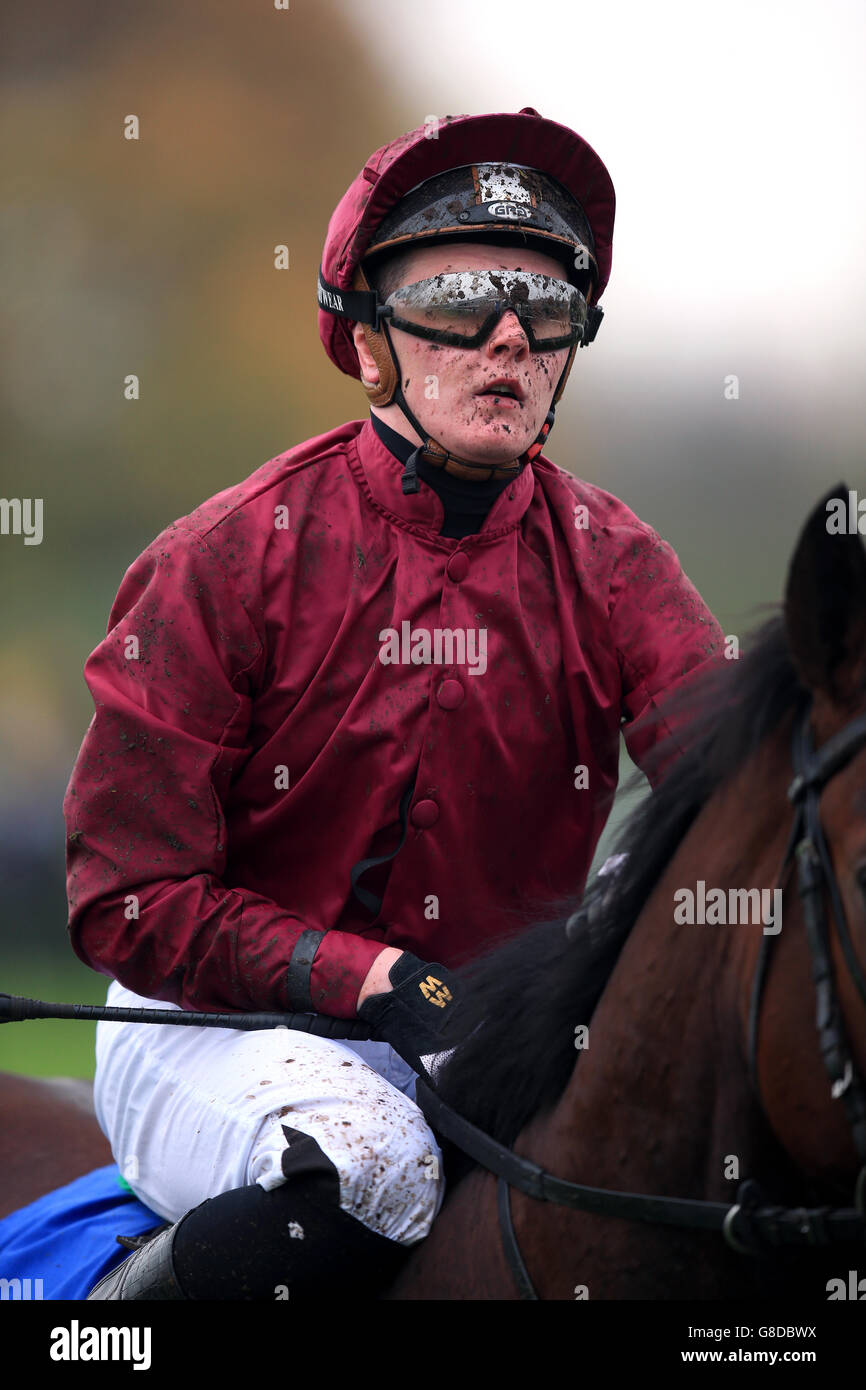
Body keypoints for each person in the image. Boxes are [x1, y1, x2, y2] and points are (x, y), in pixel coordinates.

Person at [64, 107, 724, 1300]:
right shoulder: (217, 558)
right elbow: (125, 902)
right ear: (369, 343)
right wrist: (356, 974)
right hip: (203, 1027)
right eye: (468, 297)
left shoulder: (619, 565)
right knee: (371, 1167)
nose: (510, 341)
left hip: (486, 1038)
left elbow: (736, 788)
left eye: (547, 309)